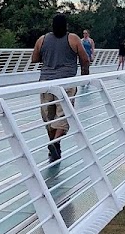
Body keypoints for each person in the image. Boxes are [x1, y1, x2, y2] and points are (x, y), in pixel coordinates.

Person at [31, 13, 90, 163]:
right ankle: (55, 143)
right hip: (66, 83)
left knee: (49, 118)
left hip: (45, 83)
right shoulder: (73, 39)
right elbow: (85, 60)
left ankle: (54, 148)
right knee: (64, 115)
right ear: (66, 26)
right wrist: (85, 75)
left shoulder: (42, 39)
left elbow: (34, 59)